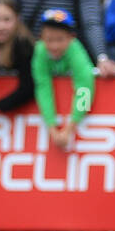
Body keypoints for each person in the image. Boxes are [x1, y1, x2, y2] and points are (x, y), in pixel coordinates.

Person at [31, 8, 96, 151]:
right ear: (41, 37)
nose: (54, 46)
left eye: (60, 39)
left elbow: (85, 88)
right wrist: (52, 127)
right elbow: (43, 87)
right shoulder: (40, 50)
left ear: (71, 38)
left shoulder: (75, 50)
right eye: (49, 40)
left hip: (74, 116)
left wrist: (70, 127)